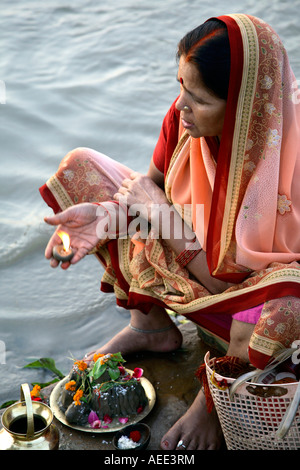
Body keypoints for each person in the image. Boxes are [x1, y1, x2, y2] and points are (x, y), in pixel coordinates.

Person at [40, 14, 300, 449]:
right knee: (82, 167)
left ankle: (214, 402)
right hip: (194, 280)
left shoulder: (284, 160)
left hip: (245, 318)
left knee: (287, 302)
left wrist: (159, 214)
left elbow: (231, 281)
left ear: (241, 108)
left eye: (197, 98)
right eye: (180, 86)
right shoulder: (182, 123)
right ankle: (150, 326)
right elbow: (148, 192)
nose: (180, 105)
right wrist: (105, 217)